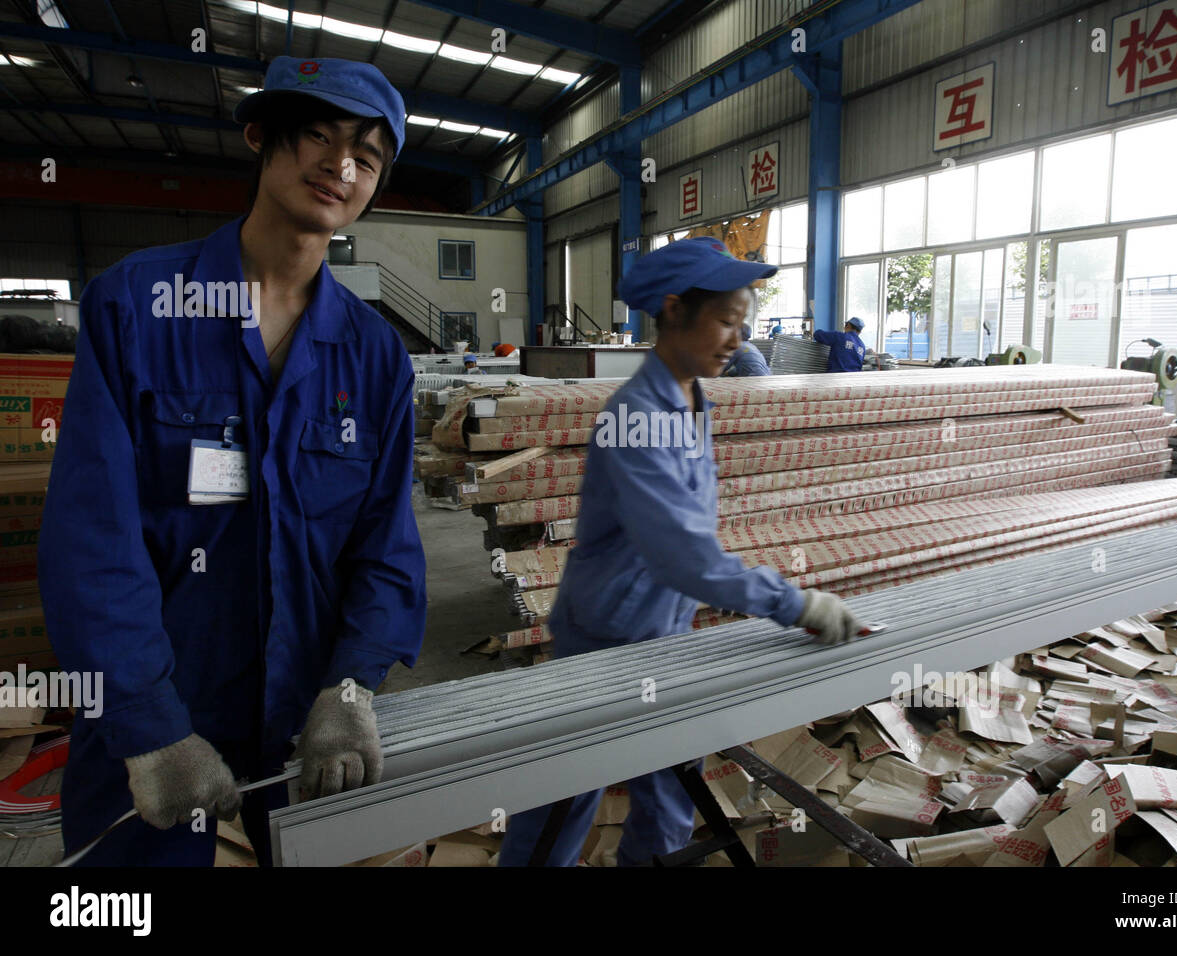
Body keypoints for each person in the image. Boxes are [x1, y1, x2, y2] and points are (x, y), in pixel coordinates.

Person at [38, 56, 427, 866]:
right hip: (162, 707)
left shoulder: (375, 356)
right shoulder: (135, 308)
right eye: (318, 135)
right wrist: (149, 731)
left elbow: (386, 549)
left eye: (367, 153)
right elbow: (91, 541)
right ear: (260, 137)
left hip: (303, 720)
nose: (341, 165)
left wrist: (350, 688)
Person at [496, 236, 870, 867]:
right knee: (563, 805)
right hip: (602, 640)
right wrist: (795, 603)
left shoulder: (694, 400)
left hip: (663, 636)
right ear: (673, 311)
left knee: (670, 796)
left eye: (742, 323)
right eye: (725, 321)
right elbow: (684, 556)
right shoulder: (638, 415)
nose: (737, 339)